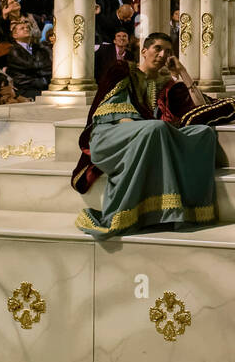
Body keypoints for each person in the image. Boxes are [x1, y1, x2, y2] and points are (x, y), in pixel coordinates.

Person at [72, 32, 217, 237]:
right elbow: (120, 116)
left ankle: (192, 210)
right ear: (144, 51)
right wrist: (147, 130)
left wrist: (182, 72)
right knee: (154, 129)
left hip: (152, 133)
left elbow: (201, 108)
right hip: (111, 134)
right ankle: (126, 214)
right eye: (157, 48)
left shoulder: (167, 83)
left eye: (167, 51)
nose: (162, 54)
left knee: (204, 133)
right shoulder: (123, 71)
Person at [4, 19, 52, 99]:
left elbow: (48, 66)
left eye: (28, 28)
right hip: (25, 88)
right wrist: (43, 75)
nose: (26, 29)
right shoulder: (13, 50)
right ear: (15, 35)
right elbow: (31, 66)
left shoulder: (38, 48)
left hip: (42, 85)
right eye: (22, 28)